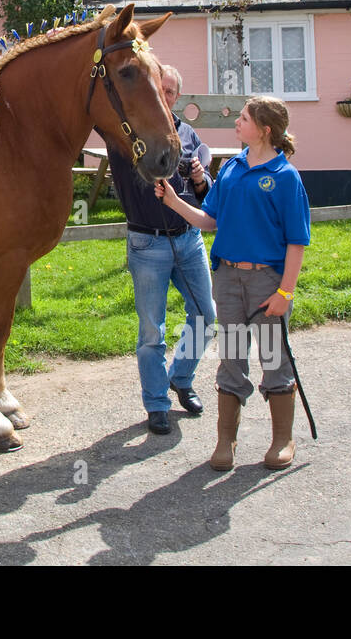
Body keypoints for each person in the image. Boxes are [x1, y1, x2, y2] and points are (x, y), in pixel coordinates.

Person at [155, 95, 310, 471]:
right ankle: (226, 442)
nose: (237, 122)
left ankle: (282, 440)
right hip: (228, 279)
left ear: (265, 129)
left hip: (267, 283)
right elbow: (210, 221)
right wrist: (175, 202)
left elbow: (297, 241)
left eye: (243, 118)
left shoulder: (286, 178)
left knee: (273, 359)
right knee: (232, 359)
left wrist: (285, 292)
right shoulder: (232, 169)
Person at [106, 64, 215, 436]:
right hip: (147, 242)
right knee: (152, 332)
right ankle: (156, 403)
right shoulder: (126, 135)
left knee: (205, 315)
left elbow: (206, 199)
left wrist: (202, 180)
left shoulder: (188, 134)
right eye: (160, 90)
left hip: (188, 239)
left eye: (170, 92)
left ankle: (180, 378)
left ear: (177, 97)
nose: (165, 97)